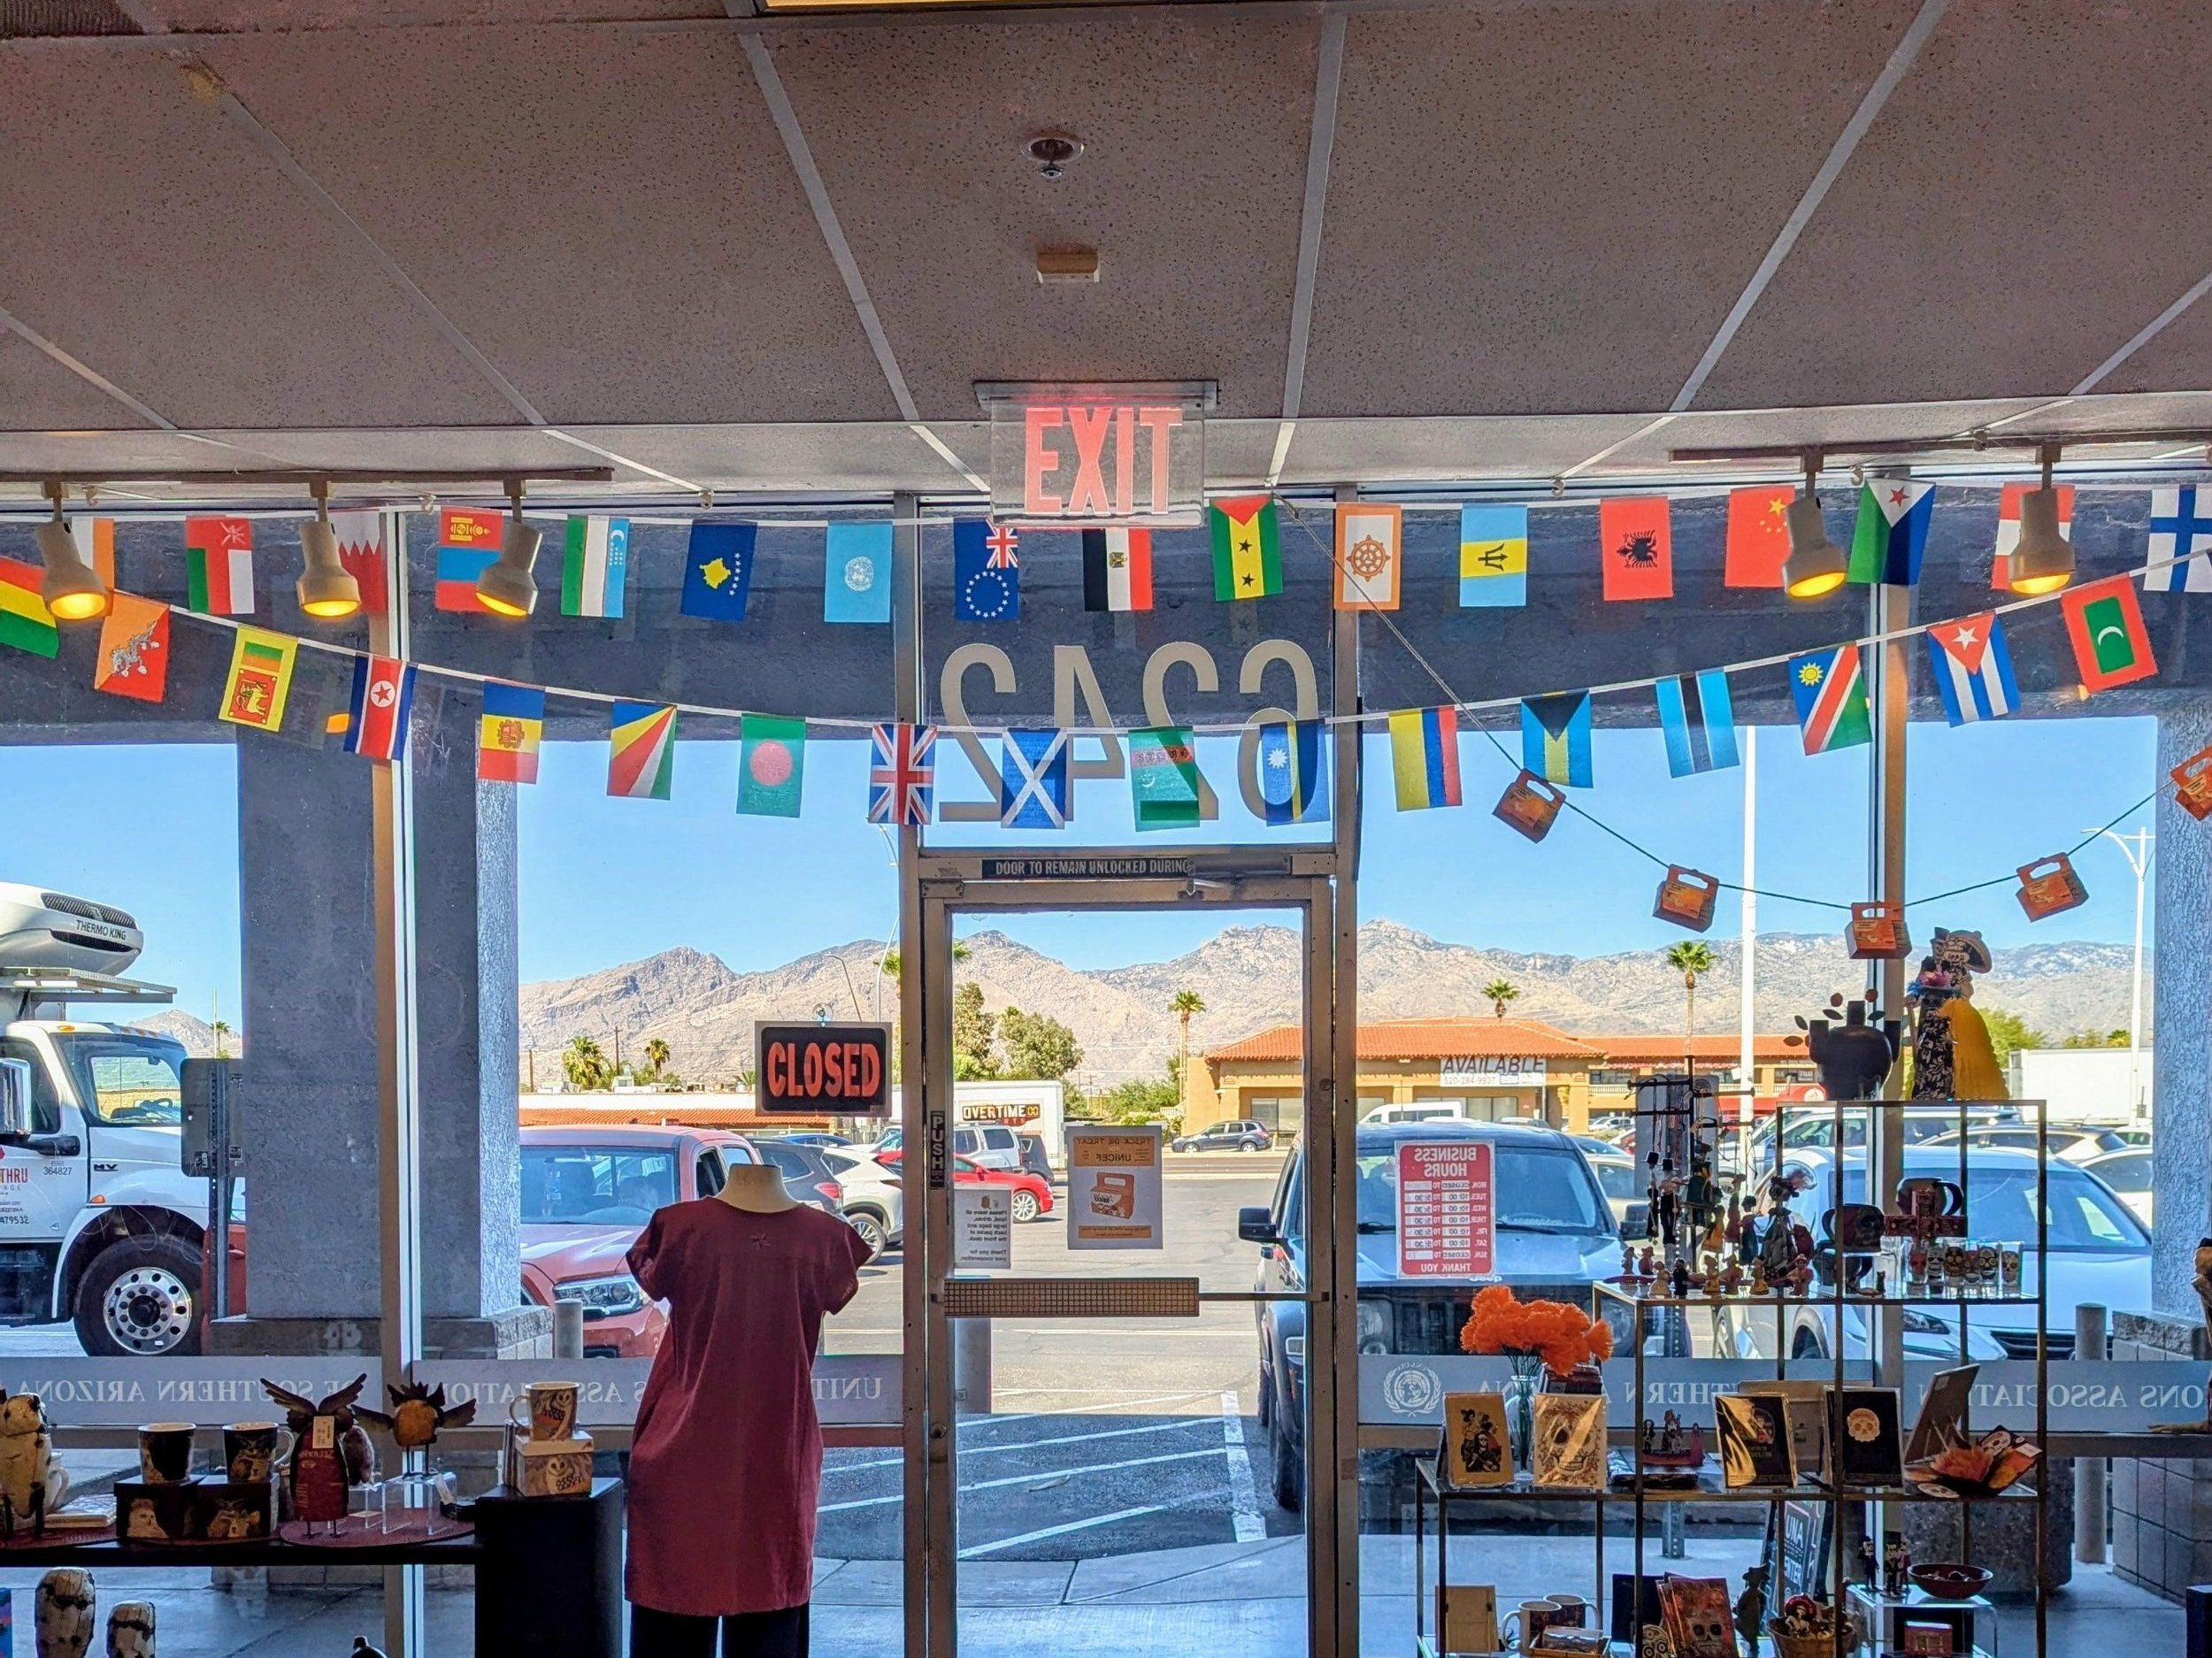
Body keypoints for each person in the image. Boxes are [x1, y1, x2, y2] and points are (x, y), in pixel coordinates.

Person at [623, 1155, 871, 1657]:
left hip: (753, 1454)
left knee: (761, 1608)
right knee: (742, 1612)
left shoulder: (819, 1237)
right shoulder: (685, 1228)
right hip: (739, 1454)